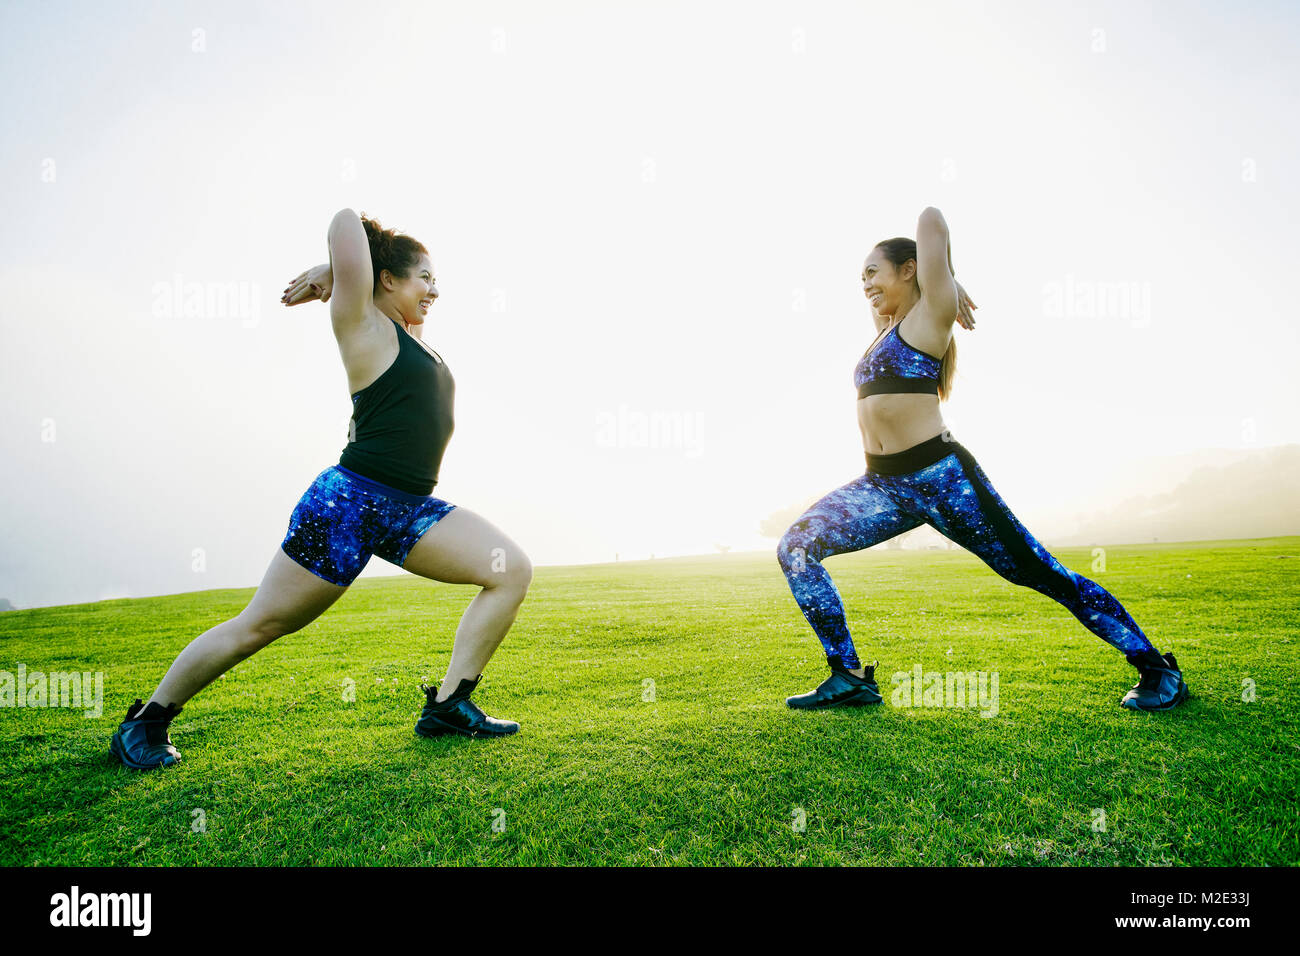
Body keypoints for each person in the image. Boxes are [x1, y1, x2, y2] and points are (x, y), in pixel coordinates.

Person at [110, 209, 532, 770]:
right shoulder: (361, 325)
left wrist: (341, 275)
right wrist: (332, 268)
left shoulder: (412, 338)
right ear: (387, 278)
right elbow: (344, 220)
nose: (435, 288)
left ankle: (450, 706)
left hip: (409, 508)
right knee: (260, 625)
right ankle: (146, 722)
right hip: (347, 505)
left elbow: (393, 300)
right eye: (424, 276)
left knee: (510, 570)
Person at [775, 206, 1188, 713]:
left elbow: (931, 219)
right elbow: (894, 289)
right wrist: (921, 280)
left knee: (1040, 573)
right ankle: (850, 676)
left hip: (945, 480)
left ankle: (1157, 668)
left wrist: (944, 273)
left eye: (872, 272)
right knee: (796, 546)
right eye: (859, 276)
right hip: (882, 487)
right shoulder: (885, 327)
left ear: (910, 269)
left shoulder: (931, 316)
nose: (864, 284)